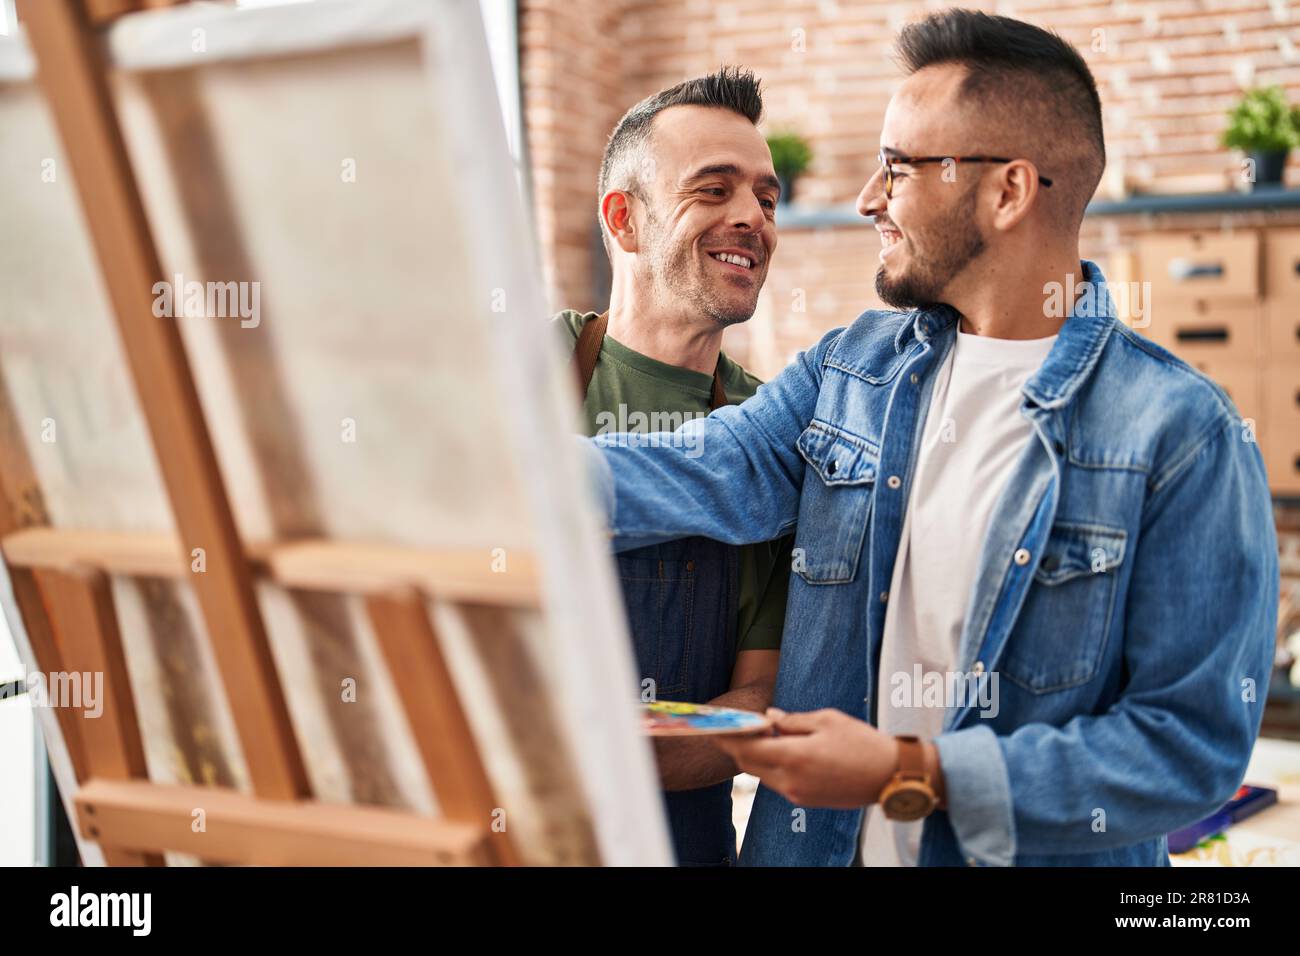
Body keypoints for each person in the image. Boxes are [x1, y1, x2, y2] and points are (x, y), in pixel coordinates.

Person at [587, 10, 1278, 866]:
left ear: (1008, 191)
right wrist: (472, 479)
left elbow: (1187, 749)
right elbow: (704, 468)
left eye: (898, 169)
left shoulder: (1181, 438)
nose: (866, 199)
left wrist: (910, 771)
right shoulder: (851, 371)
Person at [555, 67, 793, 866]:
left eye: (766, 196)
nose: (751, 218)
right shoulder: (527, 371)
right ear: (623, 220)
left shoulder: (773, 433)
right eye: (714, 189)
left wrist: (592, 749)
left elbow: (757, 699)